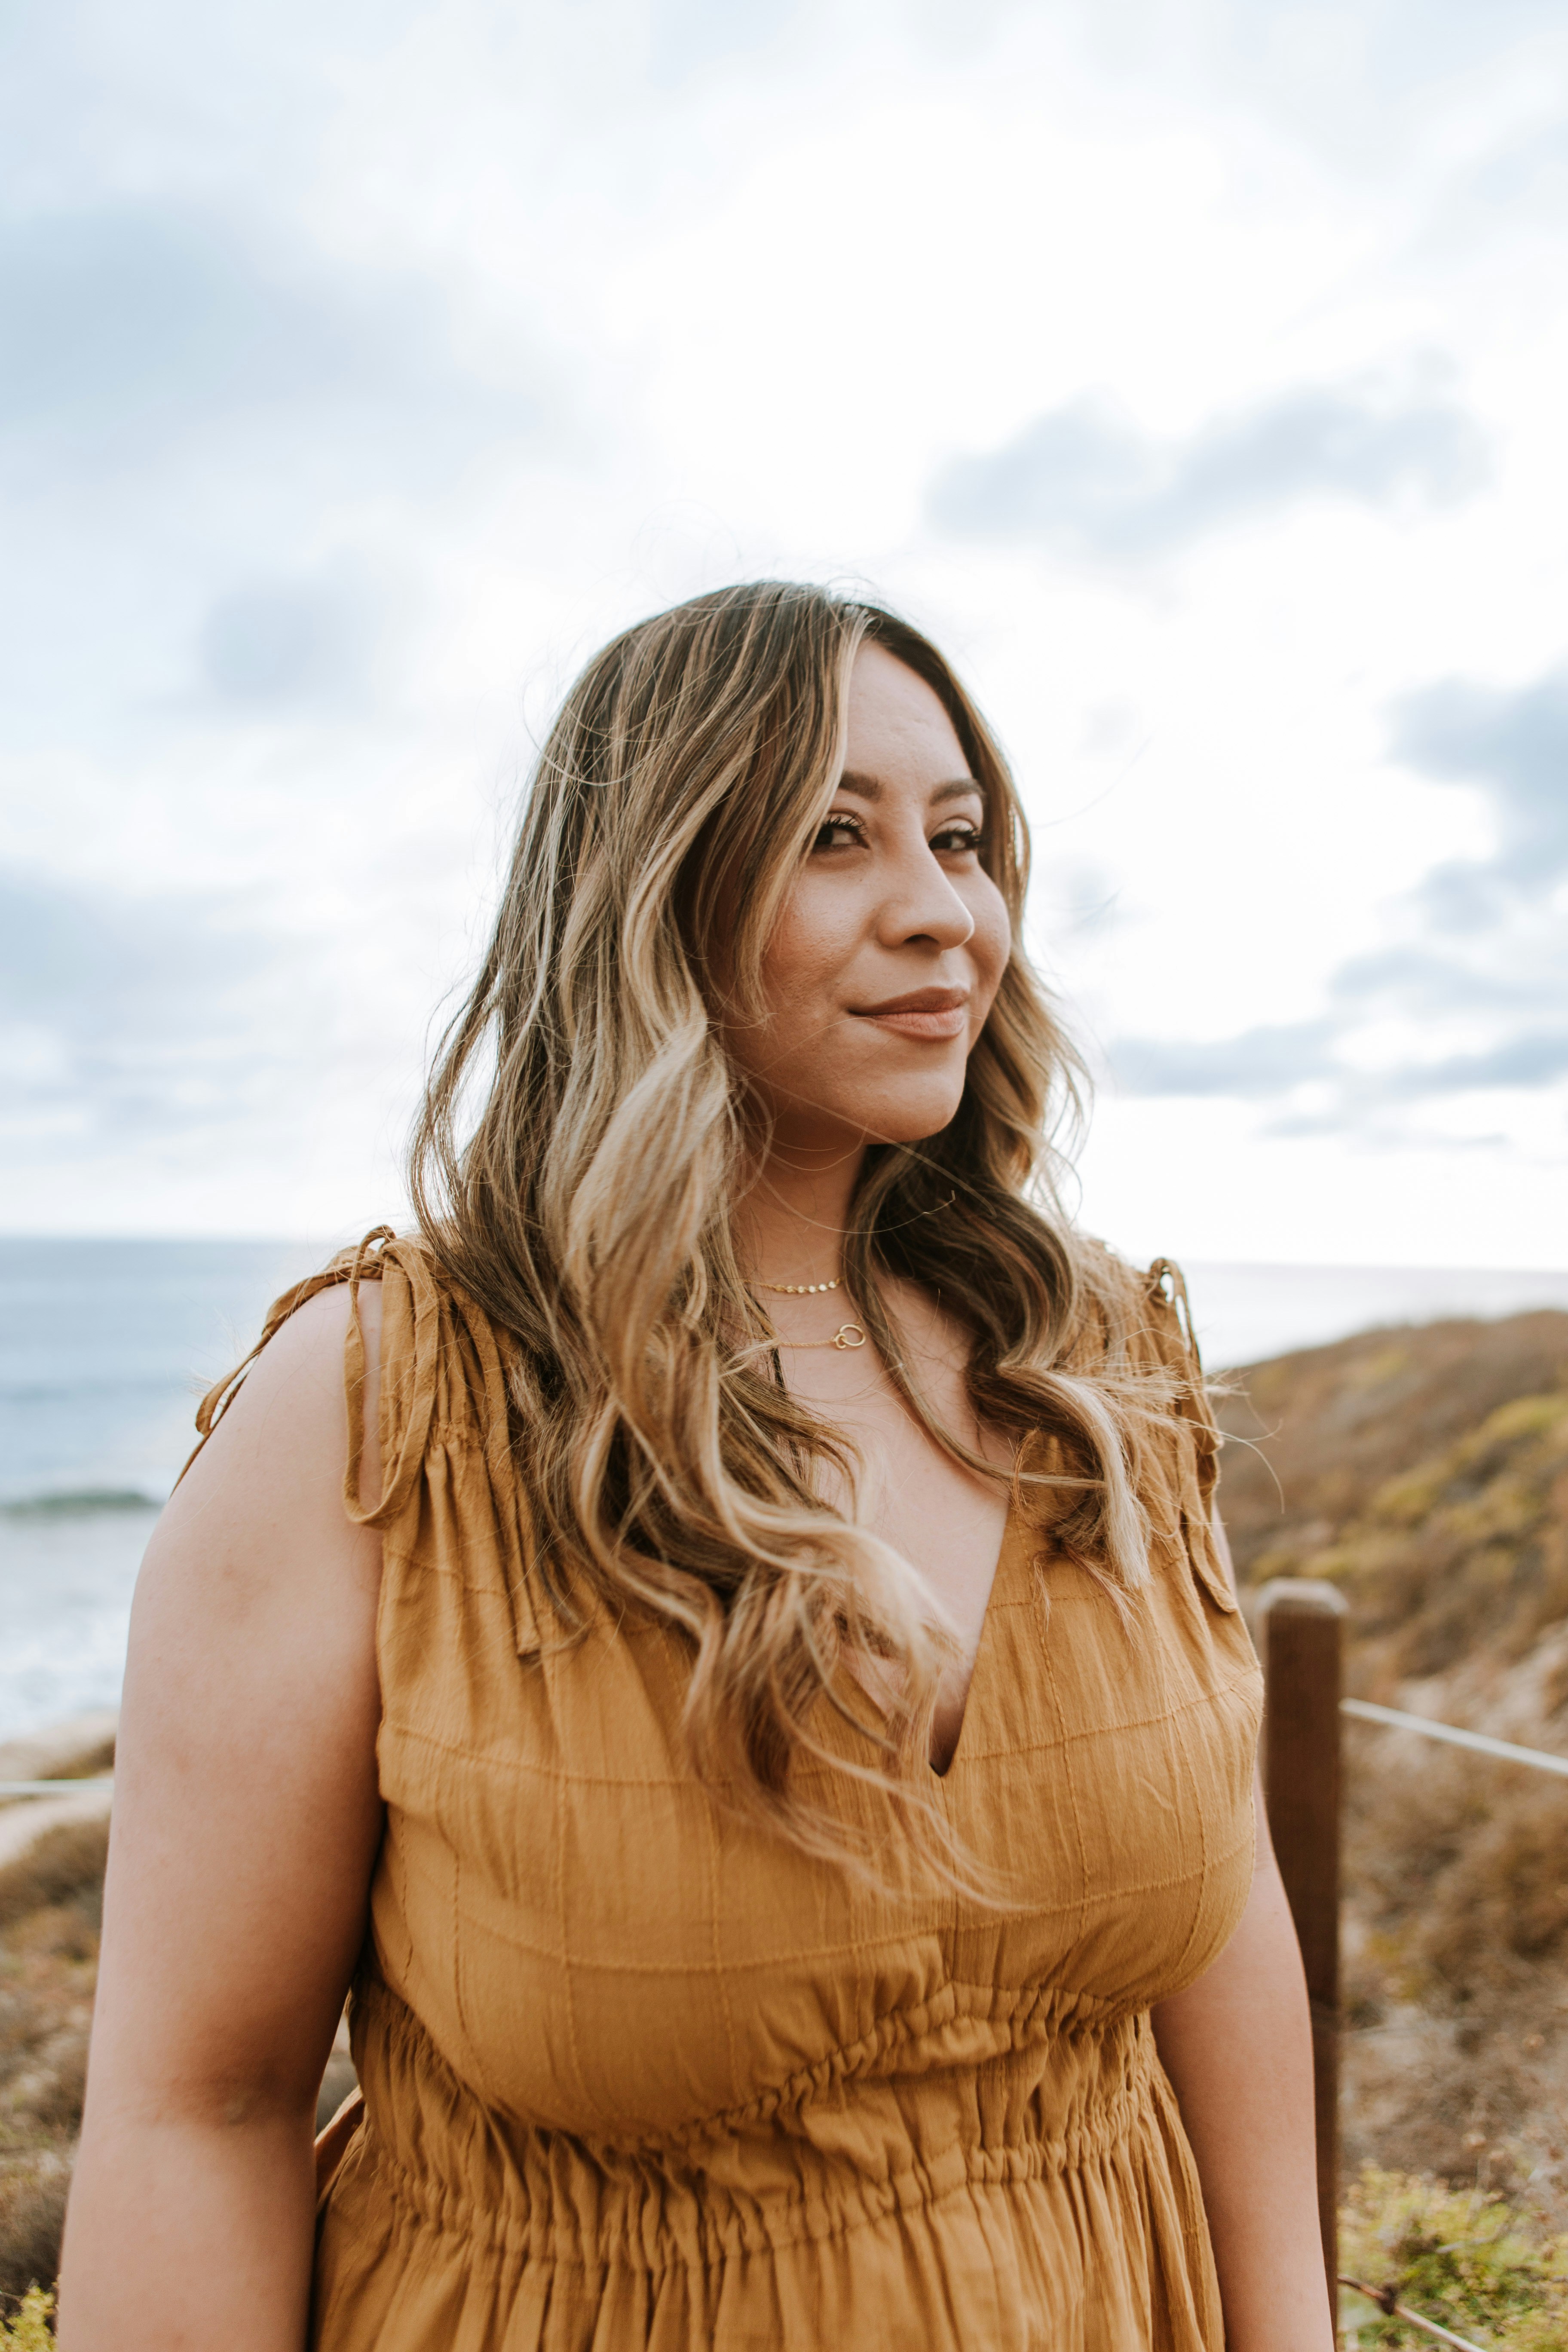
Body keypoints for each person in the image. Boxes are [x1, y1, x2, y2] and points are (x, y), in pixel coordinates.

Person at [59, 582, 1334, 2351]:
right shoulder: (381, 1412)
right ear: (652, 890)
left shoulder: (1096, 1367)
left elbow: (1221, 1920)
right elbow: (201, 2113)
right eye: (834, 836)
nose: (944, 914)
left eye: (960, 839)